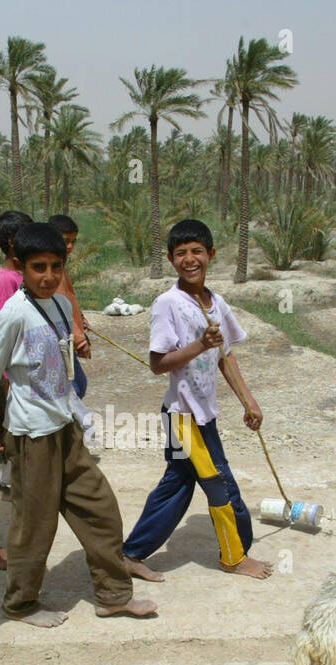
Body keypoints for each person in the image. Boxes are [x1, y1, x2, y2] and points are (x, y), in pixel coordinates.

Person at [0, 222, 157, 627]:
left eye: (56, 266)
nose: (48, 275)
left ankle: (112, 596)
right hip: (32, 436)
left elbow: (59, 366)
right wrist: (3, 431)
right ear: (21, 267)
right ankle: (20, 604)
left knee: (101, 510)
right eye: (38, 266)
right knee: (33, 528)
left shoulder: (59, 306)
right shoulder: (13, 315)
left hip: (65, 430)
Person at [121, 219, 273, 581]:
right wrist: (199, 345)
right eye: (181, 253)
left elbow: (226, 356)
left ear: (211, 255)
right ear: (172, 260)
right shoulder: (167, 304)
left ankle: (131, 552)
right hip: (181, 416)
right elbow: (158, 364)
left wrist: (249, 402)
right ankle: (234, 555)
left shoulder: (215, 302)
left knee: (177, 483)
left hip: (204, 414)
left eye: (197, 251)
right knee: (220, 482)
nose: (190, 259)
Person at [46, 214, 92, 364]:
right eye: (66, 241)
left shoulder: (61, 266)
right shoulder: (53, 271)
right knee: (77, 384)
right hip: (62, 341)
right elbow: (60, 308)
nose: (70, 246)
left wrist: (81, 318)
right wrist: (80, 342)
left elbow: (68, 301)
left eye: (73, 241)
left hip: (68, 338)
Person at [0, 210, 34, 316]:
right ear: (11, 242)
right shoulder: (6, 280)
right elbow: (6, 321)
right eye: (28, 236)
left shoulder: (23, 273)